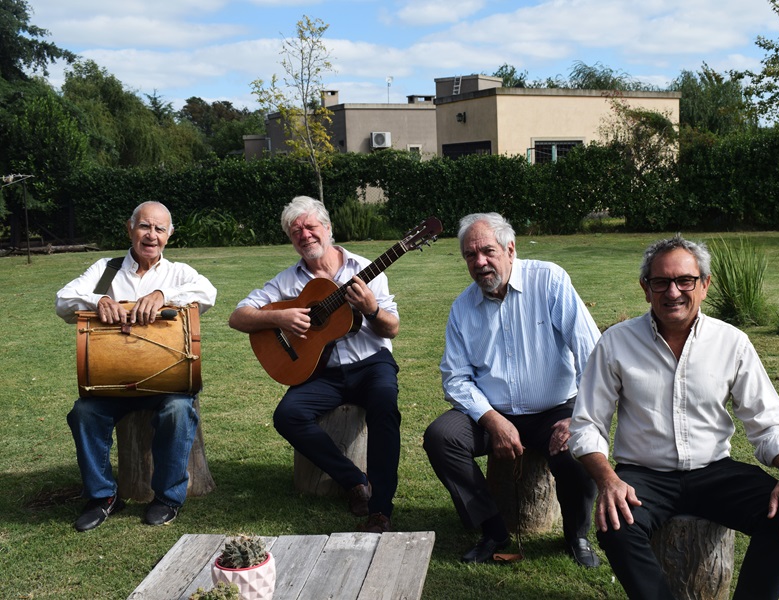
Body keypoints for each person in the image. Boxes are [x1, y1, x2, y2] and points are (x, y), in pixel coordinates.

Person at [569, 235, 779, 599]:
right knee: (615, 526)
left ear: (705, 285)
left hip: (714, 471)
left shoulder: (731, 342)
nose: (673, 292)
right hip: (644, 476)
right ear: (646, 288)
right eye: (661, 282)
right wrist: (608, 480)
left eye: (685, 280)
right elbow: (587, 424)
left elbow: (768, 419)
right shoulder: (616, 343)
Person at [423, 212, 602, 567]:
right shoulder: (462, 308)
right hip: (495, 411)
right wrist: (491, 419)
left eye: (487, 251)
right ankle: (493, 530)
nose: (480, 262)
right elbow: (455, 378)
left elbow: (591, 352)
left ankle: (576, 535)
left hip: (555, 408)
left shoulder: (548, 280)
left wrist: (581, 416)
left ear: (510, 249)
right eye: (470, 255)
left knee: (578, 449)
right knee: (441, 437)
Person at [229, 196, 400, 534]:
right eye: (296, 231)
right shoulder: (286, 282)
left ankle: (380, 509)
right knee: (287, 415)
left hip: (371, 364)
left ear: (328, 228)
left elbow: (391, 327)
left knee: (384, 406)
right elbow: (238, 317)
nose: (305, 235)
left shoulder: (364, 269)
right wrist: (281, 316)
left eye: (310, 226)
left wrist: (371, 309)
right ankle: (354, 480)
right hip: (322, 372)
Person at [56, 201, 217, 531]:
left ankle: (168, 497)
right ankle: (103, 497)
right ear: (130, 229)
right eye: (145, 226)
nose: (151, 235)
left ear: (169, 236)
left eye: (159, 229)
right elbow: (64, 300)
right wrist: (97, 300)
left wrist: (163, 294)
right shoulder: (108, 271)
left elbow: (209, 293)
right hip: (111, 384)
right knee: (84, 414)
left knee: (178, 412)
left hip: (166, 385)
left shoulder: (178, 274)